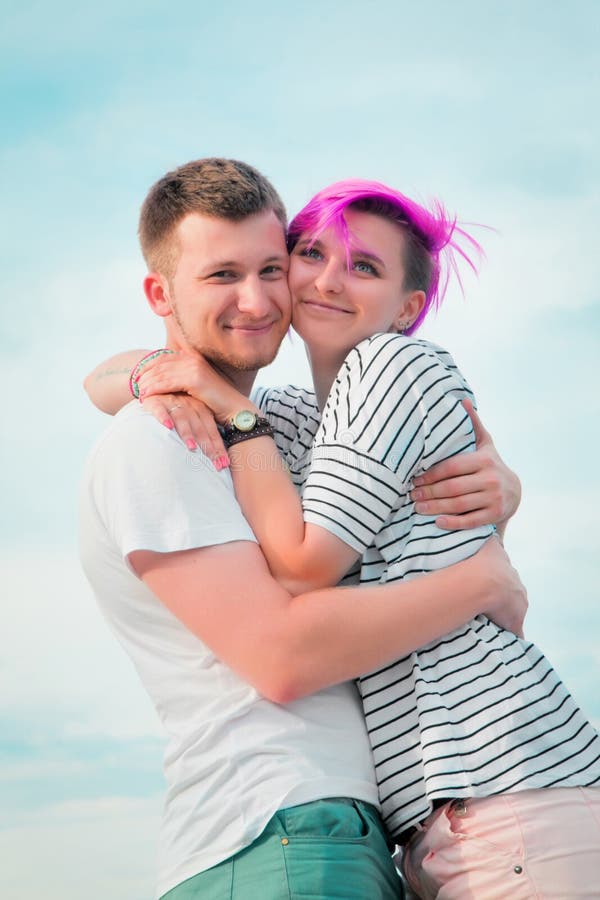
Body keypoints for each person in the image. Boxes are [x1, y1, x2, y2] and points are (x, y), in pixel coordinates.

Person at [116, 177, 600, 898]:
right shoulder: (298, 419)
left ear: (406, 308)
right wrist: (151, 376)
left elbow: (304, 566)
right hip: (449, 823)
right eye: (311, 255)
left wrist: (224, 407)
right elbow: (103, 382)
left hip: (513, 788)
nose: (327, 281)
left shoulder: (392, 366)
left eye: (364, 267)